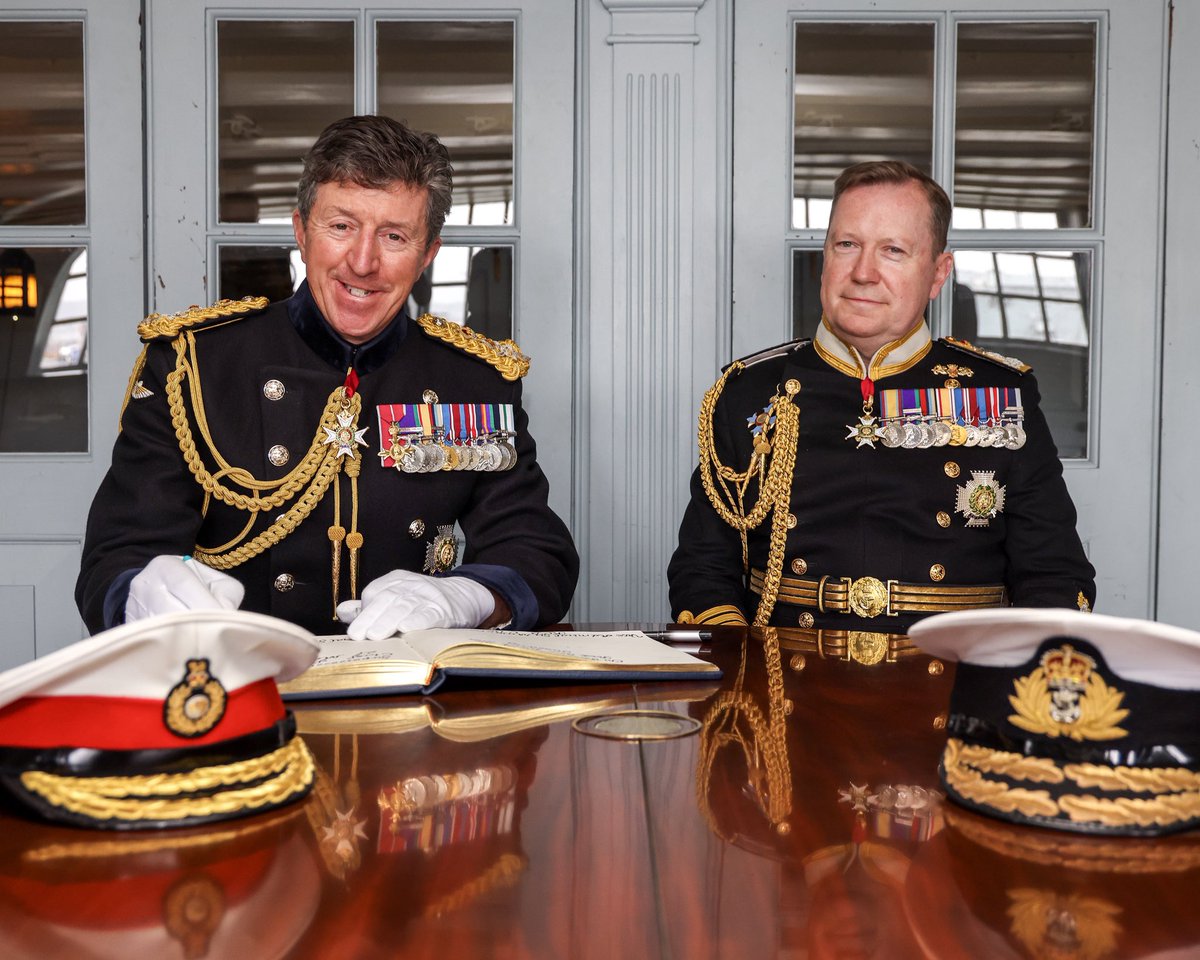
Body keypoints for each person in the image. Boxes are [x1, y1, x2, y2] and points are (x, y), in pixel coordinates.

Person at [76, 115, 578, 638]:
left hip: (408, 692)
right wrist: (137, 593)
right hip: (238, 684)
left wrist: (467, 596)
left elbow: (537, 552)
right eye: (341, 227)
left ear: (428, 253)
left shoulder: (472, 380)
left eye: (394, 236)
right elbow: (116, 556)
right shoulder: (192, 367)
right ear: (301, 231)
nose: (363, 262)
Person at [667, 160, 1095, 631]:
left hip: (950, 680)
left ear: (938, 273)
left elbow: (1054, 574)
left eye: (893, 250)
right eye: (847, 244)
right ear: (825, 257)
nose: (864, 272)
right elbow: (703, 571)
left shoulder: (1000, 392)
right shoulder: (749, 390)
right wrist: (748, 676)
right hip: (785, 679)